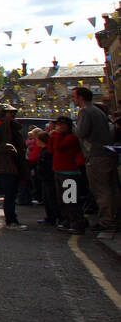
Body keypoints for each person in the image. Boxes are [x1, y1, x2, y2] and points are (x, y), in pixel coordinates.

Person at [73, 86, 118, 239]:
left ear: (81, 98)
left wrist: (75, 127)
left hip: (96, 156)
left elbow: (81, 132)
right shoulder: (98, 111)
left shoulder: (86, 111)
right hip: (107, 154)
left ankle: (107, 222)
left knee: (101, 190)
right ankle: (112, 219)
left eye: (74, 97)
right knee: (111, 188)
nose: (73, 100)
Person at [0, 106, 27, 229]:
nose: (13, 114)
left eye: (14, 112)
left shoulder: (11, 126)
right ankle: (11, 221)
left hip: (13, 163)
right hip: (5, 165)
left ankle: (12, 219)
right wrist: (7, 146)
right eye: (10, 113)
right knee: (10, 194)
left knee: (12, 193)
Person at [50, 116, 88, 234]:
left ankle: (77, 222)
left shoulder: (71, 138)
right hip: (59, 171)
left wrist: (55, 135)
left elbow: (59, 147)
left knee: (71, 200)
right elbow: (51, 150)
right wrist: (53, 136)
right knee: (62, 199)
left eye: (62, 125)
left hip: (70, 172)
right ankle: (67, 220)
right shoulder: (57, 137)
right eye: (58, 124)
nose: (59, 127)